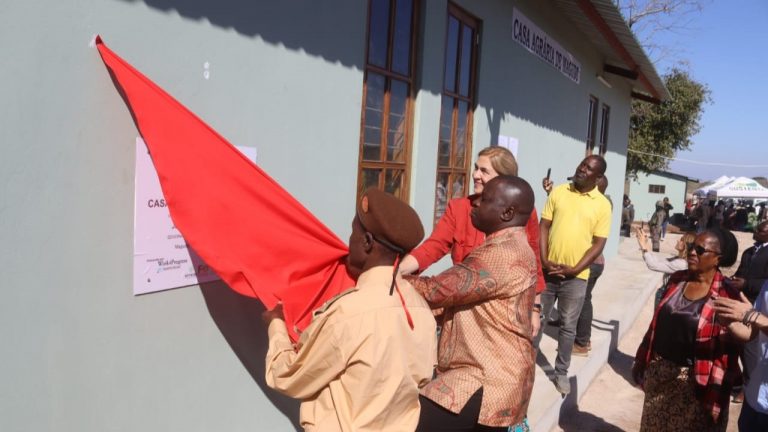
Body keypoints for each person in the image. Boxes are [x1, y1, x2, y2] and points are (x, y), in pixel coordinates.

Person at [263, 188, 438, 431]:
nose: (349, 241)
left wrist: (276, 324)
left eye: (352, 232)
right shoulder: (420, 308)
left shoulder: (348, 314)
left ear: (366, 242)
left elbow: (288, 377)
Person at [405, 176, 537, 432]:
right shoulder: (509, 245)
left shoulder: (501, 254)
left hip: (485, 376)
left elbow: (436, 291)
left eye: (485, 199)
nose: (474, 204)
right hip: (497, 375)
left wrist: (384, 273)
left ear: (508, 212)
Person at [399, 146, 545, 337]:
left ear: (503, 180)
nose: (475, 175)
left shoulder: (522, 211)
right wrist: (398, 271)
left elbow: (533, 259)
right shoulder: (459, 208)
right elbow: (433, 247)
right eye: (476, 168)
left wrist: (535, 308)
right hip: (465, 311)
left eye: (484, 171)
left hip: (504, 313)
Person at [632, 228, 741, 432]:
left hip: (696, 385)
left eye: (701, 250)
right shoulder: (677, 279)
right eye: (692, 247)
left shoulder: (727, 294)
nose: (692, 252)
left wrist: (717, 395)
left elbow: (728, 355)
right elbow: (656, 324)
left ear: (718, 258)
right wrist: (642, 359)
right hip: (660, 378)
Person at [535, 155, 612, 395]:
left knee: (568, 327)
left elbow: (599, 243)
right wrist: (544, 259)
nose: (582, 169)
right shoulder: (559, 192)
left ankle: (561, 373)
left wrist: (576, 269)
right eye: (581, 164)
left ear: (598, 177)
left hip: (576, 278)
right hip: (548, 273)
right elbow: (544, 226)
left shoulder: (601, 205)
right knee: (536, 321)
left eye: (588, 168)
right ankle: (525, 366)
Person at [712, 279, 768, 431]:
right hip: (755, 397)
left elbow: (756, 318)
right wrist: (729, 321)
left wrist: (754, 317)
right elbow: (752, 331)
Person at [729, 220, 768, 402]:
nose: (757, 230)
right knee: (735, 345)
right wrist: (734, 280)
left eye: (762, 229)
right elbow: (741, 272)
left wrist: (747, 284)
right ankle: (737, 381)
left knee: (750, 351)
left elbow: (765, 283)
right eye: (758, 227)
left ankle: (748, 387)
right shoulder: (749, 251)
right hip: (741, 304)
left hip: (757, 308)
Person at [636, 227, 696, 306]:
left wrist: (643, 245)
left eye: (681, 240)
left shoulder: (681, 264)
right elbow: (658, 262)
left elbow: (653, 265)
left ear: (686, 245)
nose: (678, 241)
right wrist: (646, 244)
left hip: (669, 296)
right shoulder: (679, 260)